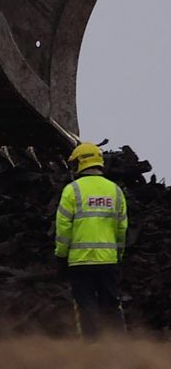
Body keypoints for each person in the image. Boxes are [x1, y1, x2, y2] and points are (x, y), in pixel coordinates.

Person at [55, 142, 128, 337]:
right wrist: (119, 254)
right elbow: (122, 228)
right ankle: (120, 347)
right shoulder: (115, 191)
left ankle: (91, 351)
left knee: (86, 308)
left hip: (80, 261)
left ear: (80, 162)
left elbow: (63, 229)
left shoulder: (72, 190)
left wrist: (61, 256)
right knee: (112, 306)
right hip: (108, 260)